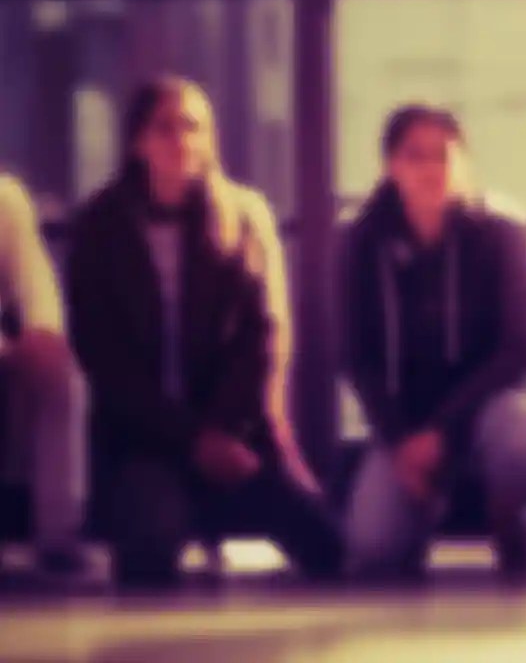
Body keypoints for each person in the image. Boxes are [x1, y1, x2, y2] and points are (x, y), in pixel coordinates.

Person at [66, 76, 341, 587]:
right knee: (149, 552)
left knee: (330, 546)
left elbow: (266, 339)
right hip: (143, 439)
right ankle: (180, 513)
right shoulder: (99, 228)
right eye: (164, 127)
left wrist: (224, 431)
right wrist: (192, 440)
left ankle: (212, 509)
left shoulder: (244, 215)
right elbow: (104, 361)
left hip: (235, 431)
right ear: (137, 141)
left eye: (193, 127)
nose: (180, 140)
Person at [343, 105, 526, 582]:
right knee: (373, 550)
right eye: (415, 155)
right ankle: (417, 515)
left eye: (444, 154)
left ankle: (510, 522)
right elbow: (358, 359)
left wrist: (442, 431)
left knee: (518, 425)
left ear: (465, 161)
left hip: (487, 409)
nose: (432, 168)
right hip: (406, 426)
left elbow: (521, 349)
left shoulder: (501, 233)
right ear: (390, 166)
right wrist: (399, 442)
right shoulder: (361, 242)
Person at [0, 172, 88, 577]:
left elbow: (38, 290)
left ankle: (58, 540)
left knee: (59, 374)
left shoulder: (7, 200)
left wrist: (41, 334)